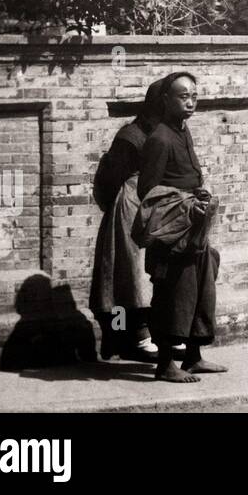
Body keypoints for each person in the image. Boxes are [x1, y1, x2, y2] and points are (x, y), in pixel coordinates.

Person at [137, 72, 226, 383]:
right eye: (183, 96)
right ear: (166, 100)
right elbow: (147, 193)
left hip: (194, 230)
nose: (190, 102)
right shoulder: (160, 139)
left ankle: (192, 357)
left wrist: (199, 194)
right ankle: (164, 365)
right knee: (171, 294)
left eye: (194, 96)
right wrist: (184, 201)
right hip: (171, 233)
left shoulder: (183, 132)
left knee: (200, 290)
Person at [89, 79, 162, 362]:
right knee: (125, 277)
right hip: (129, 212)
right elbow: (109, 180)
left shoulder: (164, 133)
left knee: (140, 277)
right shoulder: (131, 136)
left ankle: (124, 339)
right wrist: (121, 208)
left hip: (152, 211)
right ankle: (123, 339)